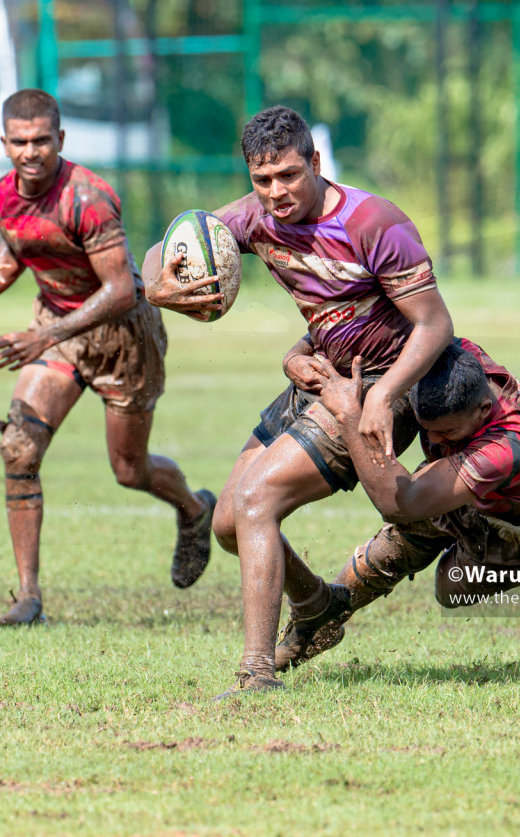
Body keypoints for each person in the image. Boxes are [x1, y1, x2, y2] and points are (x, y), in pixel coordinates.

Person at [141, 106, 454, 698]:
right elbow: (171, 242)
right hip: (320, 374)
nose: (276, 192)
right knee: (231, 523)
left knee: (258, 500)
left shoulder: (374, 223)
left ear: (315, 163)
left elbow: (435, 325)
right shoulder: (256, 217)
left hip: (384, 381)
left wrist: (383, 396)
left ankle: (256, 673)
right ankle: (315, 602)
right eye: (263, 180)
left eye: (288, 175)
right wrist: (158, 281)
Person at [0, 89, 214, 626]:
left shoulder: (88, 198)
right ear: (4, 143)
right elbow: (16, 252)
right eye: (19, 142)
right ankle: (28, 597)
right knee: (18, 447)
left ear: (60, 140)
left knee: (128, 469)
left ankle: (194, 509)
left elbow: (122, 289)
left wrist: (46, 334)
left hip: (123, 336)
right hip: (56, 333)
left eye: (40, 141)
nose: (30, 152)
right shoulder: (0, 196)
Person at [273, 339, 520, 671]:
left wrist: (350, 416)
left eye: (447, 433)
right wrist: (294, 355)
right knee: (385, 555)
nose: (434, 442)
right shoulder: (454, 355)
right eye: (428, 431)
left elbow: (397, 506)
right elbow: (375, 329)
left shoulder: (510, 444)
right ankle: (309, 633)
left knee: (448, 587)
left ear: (483, 410)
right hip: (470, 487)